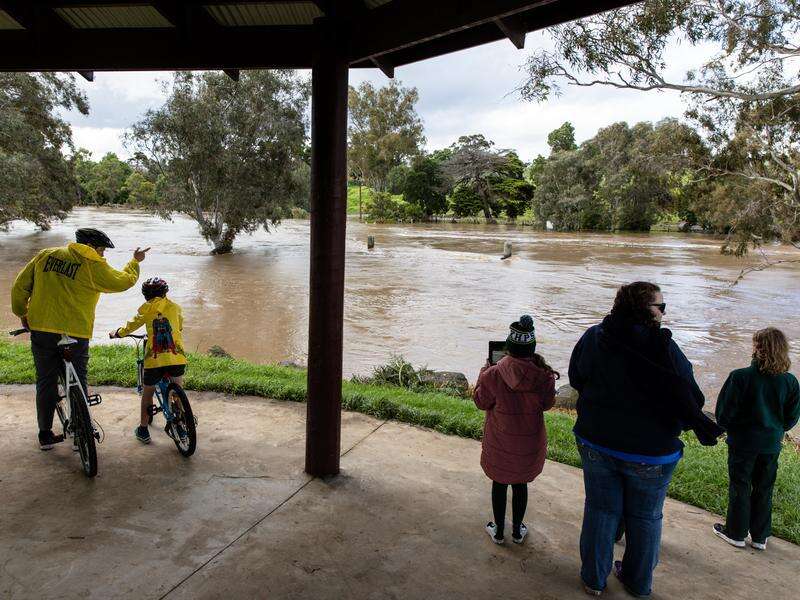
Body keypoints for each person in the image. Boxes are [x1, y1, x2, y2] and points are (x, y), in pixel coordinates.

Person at [568, 281, 722, 597]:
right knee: (646, 517)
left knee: (601, 510)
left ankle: (593, 579)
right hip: (652, 453)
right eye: (660, 306)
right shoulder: (665, 350)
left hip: (598, 441)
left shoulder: (596, 337)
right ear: (644, 311)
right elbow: (692, 397)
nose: (664, 312)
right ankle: (638, 583)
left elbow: (577, 377)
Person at [11, 228, 148, 450]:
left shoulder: (46, 255)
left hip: (42, 328)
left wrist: (22, 313)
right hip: (76, 331)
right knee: (78, 377)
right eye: (102, 250)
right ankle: (82, 427)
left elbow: (20, 286)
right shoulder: (93, 265)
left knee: (46, 381)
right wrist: (135, 261)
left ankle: (45, 434)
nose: (103, 254)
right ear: (92, 247)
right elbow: (123, 281)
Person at [713, 327, 800, 551]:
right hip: (771, 444)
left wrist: (731, 429)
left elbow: (723, 414)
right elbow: (791, 418)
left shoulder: (740, 377)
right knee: (764, 488)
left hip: (743, 443)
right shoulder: (790, 382)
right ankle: (760, 537)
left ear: (757, 348)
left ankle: (736, 533)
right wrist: (775, 430)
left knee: (740, 486)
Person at [474, 315, 557, 545]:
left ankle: (499, 532)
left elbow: (481, 402)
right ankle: (518, 531)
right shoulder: (544, 375)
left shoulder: (493, 374)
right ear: (532, 347)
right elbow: (548, 404)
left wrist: (483, 372)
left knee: (499, 484)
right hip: (528, 444)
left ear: (508, 347)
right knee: (521, 485)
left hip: (500, 441)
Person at [110, 277, 187, 444]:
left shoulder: (147, 309)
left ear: (145, 296)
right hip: (177, 357)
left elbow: (132, 325)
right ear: (165, 292)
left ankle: (143, 429)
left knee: (148, 392)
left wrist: (118, 333)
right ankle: (181, 426)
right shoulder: (175, 307)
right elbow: (179, 325)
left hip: (155, 360)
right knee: (178, 390)